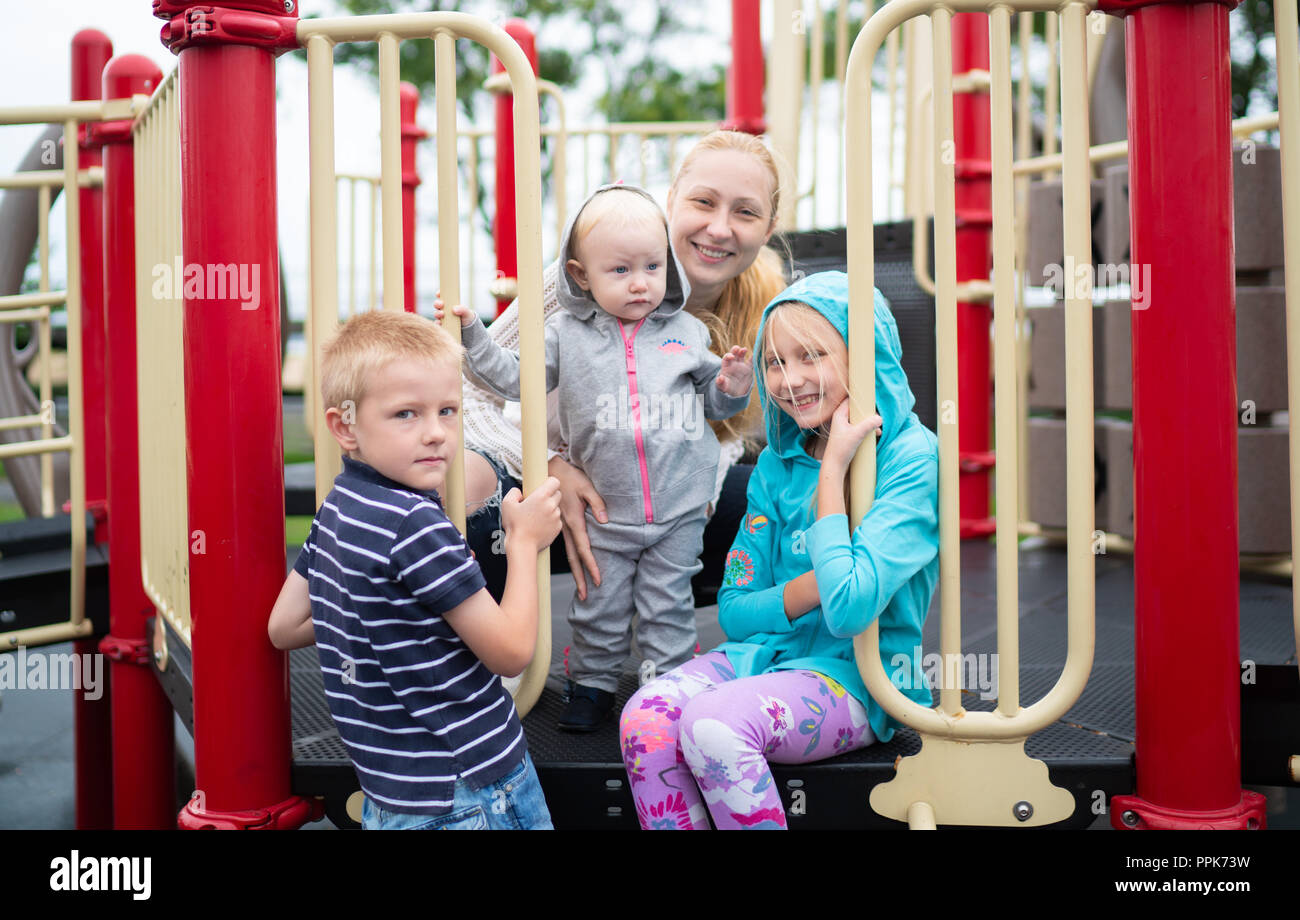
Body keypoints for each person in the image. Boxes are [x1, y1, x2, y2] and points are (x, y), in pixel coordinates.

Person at [618, 271, 939, 830]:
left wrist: (834, 470)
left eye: (811, 356)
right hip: (763, 658)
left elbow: (849, 611)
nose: (789, 380)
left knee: (713, 725)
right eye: (775, 362)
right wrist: (815, 583)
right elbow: (737, 613)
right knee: (645, 718)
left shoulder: (911, 457)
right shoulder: (777, 462)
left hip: (861, 679)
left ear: (866, 354)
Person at [442, 185, 754, 731]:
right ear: (581, 276)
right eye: (620, 270)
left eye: (653, 267)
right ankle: (592, 686)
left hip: (678, 506)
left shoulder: (685, 333)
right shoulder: (565, 335)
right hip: (606, 509)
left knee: (668, 606)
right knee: (597, 604)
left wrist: (733, 384)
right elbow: (515, 380)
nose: (640, 283)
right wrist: (473, 335)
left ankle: (667, 686)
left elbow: (714, 405)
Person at [452, 130, 788, 613]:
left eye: (745, 212)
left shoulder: (761, 313)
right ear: (672, 200)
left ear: (770, 225)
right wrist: (547, 467)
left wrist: (691, 508)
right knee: (467, 479)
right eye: (704, 202)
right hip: (532, 473)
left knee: (771, 500)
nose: (719, 228)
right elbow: (467, 391)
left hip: (649, 499)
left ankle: (713, 638)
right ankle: (480, 650)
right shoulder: (586, 274)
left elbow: (727, 437)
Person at [267, 309, 563, 830]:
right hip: (472, 786)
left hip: (390, 793)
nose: (435, 434)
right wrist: (524, 542)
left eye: (448, 411)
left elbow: (284, 626)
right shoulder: (415, 525)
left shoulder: (339, 507)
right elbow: (512, 653)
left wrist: (389, 611)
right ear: (345, 426)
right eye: (406, 414)